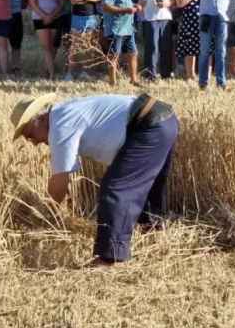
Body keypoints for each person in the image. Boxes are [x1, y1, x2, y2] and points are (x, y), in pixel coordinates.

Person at [12, 92, 179, 264]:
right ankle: (153, 231)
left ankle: (108, 257)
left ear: (40, 119)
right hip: (164, 120)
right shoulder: (64, 112)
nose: (33, 143)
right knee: (145, 183)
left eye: (30, 135)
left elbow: (59, 182)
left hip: (149, 126)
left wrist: (47, 216)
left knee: (115, 189)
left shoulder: (60, 125)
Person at [197, 0, 232, 90]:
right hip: (206, 15)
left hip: (221, 17)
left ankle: (221, 82)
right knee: (205, 50)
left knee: (221, 50)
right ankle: (203, 83)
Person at [102, 0, 141, 86]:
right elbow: (106, 6)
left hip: (128, 26)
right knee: (114, 55)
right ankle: (112, 82)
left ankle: (134, 79)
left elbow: (124, 3)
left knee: (133, 52)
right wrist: (126, 10)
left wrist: (134, 5)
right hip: (116, 27)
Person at [63, 0, 102, 81]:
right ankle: (70, 73)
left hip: (92, 17)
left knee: (90, 46)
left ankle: (86, 71)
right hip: (77, 17)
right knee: (75, 46)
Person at [28, 0, 66, 80]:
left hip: (55, 18)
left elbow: (61, 4)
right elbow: (32, 2)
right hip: (39, 18)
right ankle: (52, 75)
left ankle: (45, 72)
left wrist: (51, 16)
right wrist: (44, 16)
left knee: (53, 48)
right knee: (47, 47)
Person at [138, 0, 174, 80]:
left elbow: (171, 1)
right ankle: (151, 74)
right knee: (152, 47)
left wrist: (165, 4)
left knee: (166, 46)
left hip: (165, 18)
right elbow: (141, 2)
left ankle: (166, 74)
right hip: (151, 20)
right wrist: (138, 7)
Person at [175, 0, 202, 80]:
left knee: (204, 49)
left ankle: (204, 74)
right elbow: (179, 4)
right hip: (188, 22)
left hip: (202, 22)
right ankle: (190, 74)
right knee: (189, 50)